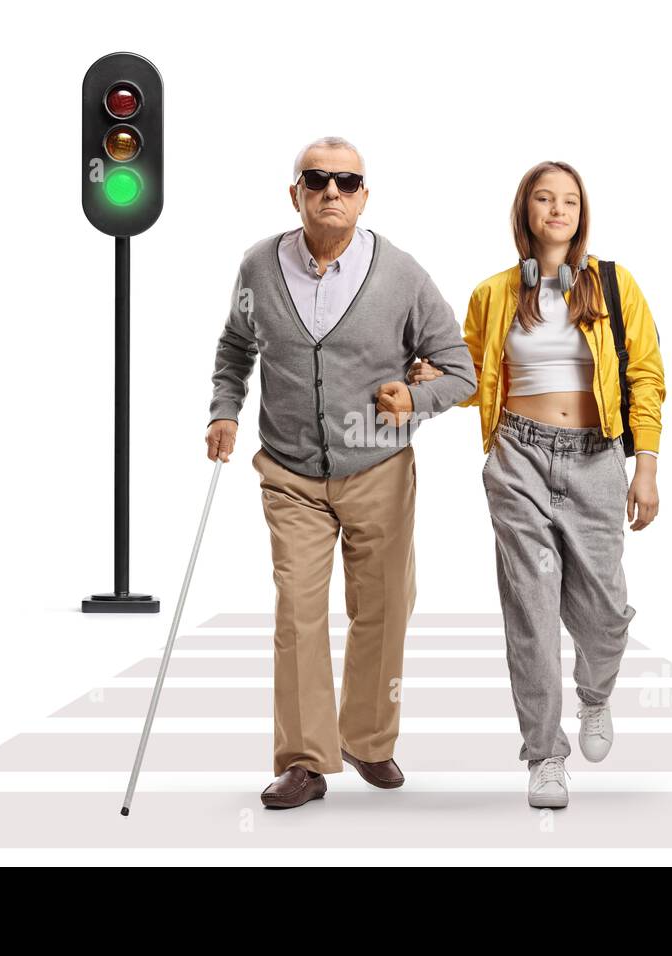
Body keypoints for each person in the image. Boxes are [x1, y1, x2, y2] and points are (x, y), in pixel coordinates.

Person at [206, 136, 477, 809]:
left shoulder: (402, 275)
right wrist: (224, 411)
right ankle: (304, 760)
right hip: (291, 471)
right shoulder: (259, 268)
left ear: (364, 197)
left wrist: (415, 397)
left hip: (378, 467)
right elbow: (236, 347)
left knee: (383, 607)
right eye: (317, 180)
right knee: (297, 610)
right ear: (294, 192)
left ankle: (368, 739)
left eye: (346, 182)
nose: (332, 191)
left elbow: (461, 370)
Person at [408, 160, 666, 808]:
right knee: (531, 608)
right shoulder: (495, 293)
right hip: (519, 456)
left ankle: (596, 697)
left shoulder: (612, 284)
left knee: (605, 613)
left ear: (582, 213)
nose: (557, 209)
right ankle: (545, 757)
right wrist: (422, 380)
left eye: (569, 200)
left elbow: (647, 376)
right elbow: (467, 376)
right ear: (526, 210)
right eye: (544, 199)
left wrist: (648, 466)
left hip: (596, 458)